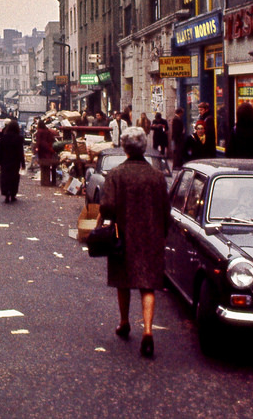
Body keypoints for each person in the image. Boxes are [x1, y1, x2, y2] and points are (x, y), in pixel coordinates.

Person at [95, 126, 169, 359]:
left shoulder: (116, 175)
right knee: (148, 284)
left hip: (123, 235)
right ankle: (147, 330)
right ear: (144, 147)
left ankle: (125, 322)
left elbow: (107, 207)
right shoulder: (157, 176)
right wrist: (162, 233)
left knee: (124, 281)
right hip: (150, 235)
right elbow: (165, 210)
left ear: (125, 148)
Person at [0, 120, 26, 203]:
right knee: (14, 178)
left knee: (5, 177)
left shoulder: (4, 138)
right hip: (15, 161)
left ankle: (6, 194)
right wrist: (22, 163)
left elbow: (0, 150)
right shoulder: (19, 138)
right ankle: (13, 194)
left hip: (5, 160)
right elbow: (21, 151)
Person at [34, 120, 58, 187]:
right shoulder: (47, 131)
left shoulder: (39, 132)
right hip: (48, 149)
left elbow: (38, 141)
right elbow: (51, 139)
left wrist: (36, 148)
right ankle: (50, 181)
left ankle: (44, 181)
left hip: (42, 150)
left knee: (43, 166)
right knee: (48, 165)